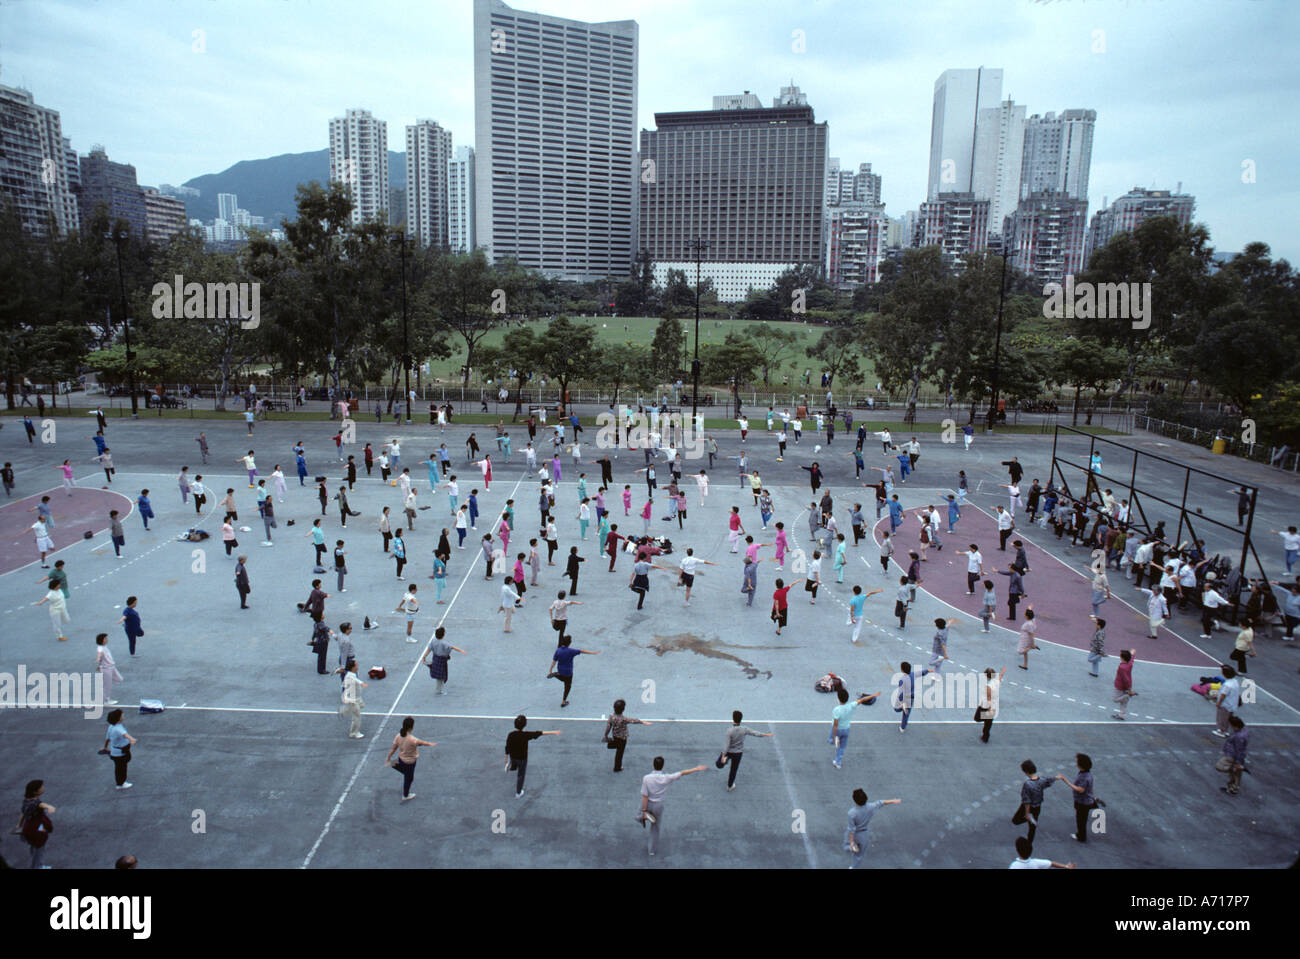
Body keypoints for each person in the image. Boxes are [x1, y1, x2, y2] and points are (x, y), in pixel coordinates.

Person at [638, 757, 707, 856]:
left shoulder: (646, 778)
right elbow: (682, 772)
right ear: (662, 766)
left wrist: (644, 811)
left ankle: (641, 817)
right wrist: (696, 768)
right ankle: (651, 850)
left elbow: (644, 795)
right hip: (658, 805)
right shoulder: (667, 778)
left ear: (653, 765)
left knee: (640, 809)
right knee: (655, 827)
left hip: (648, 803)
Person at [505, 715, 561, 798]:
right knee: (521, 775)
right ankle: (518, 793)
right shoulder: (526, 735)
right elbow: (539, 733)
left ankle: (511, 766)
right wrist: (554, 732)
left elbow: (507, 747)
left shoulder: (511, 735)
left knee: (514, 762)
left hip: (513, 756)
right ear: (524, 725)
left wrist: (506, 758)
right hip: (522, 759)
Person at [844, 789, 901, 869]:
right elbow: (881, 802)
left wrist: (851, 842)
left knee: (848, 843)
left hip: (855, 833)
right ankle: (853, 867)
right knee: (859, 855)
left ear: (854, 800)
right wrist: (894, 800)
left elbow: (851, 829)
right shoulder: (870, 807)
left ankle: (850, 847)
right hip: (864, 833)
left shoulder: (852, 813)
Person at [715, 710, 772, 790]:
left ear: (733, 719)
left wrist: (723, 756)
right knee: (733, 770)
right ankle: (730, 786)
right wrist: (765, 734)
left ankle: (726, 759)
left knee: (718, 764)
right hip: (738, 753)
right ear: (741, 719)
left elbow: (726, 745)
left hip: (729, 752)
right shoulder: (744, 729)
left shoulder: (729, 731)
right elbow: (755, 733)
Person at [385, 718, 437, 802]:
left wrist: (388, 758)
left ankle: (390, 763)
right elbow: (422, 743)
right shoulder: (413, 739)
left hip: (401, 759)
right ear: (411, 727)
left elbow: (393, 749)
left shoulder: (398, 736)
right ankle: (405, 795)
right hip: (410, 762)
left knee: (403, 770)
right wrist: (430, 744)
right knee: (409, 778)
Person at [828, 687, 879, 769]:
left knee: (832, 740)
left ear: (838, 698)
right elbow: (863, 699)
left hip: (838, 730)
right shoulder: (852, 705)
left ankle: (835, 740)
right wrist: (873, 695)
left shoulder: (836, 710)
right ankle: (838, 763)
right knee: (842, 747)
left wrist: (833, 736)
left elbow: (836, 725)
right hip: (846, 730)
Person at [1055, 754, 1097, 843]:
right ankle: (1080, 834)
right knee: (1081, 819)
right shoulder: (1085, 774)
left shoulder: (1085, 777)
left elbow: (1080, 790)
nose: (1076, 762)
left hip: (1083, 802)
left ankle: (1081, 836)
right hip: (1083, 800)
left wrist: (1065, 781)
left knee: (1081, 820)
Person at [548, 634, 599, 707]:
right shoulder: (571, 651)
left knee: (562, 677)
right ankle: (563, 701)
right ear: (569, 643)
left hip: (560, 670)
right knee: (567, 686)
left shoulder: (558, 651)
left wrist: (550, 670)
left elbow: (554, 662)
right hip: (568, 672)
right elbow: (582, 651)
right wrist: (593, 653)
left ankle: (555, 674)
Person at [603, 699, 652, 773]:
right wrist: (643, 722)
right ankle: (617, 768)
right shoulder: (623, 719)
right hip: (622, 739)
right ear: (623, 709)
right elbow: (634, 721)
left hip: (615, 736)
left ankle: (612, 745)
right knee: (620, 753)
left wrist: (606, 735)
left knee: (617, 749)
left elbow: (608, 727)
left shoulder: (611, 716)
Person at [1012, 759, 1053, 847]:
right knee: (1032, 827)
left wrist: (1027, 813)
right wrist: (1058, 777)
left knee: (1015, 820)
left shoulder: (1028, 784)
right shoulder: (1042, 779)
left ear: (1026, 772)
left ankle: (1028, 818)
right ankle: (1029, 843)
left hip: (1028, 806)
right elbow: (1049, 781)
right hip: (1038, 806)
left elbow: (1026, 801)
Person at [17, 780, 55, 869]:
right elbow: (42, 805)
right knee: (39, 850)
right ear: (35, 791)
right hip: (36, 829)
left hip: (29, 828)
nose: (43, 788)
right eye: (41, 787)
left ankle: (40, 865)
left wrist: (19, 825)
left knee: (35, 848)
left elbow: (23, 813)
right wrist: (50, 807)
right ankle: (37, 867)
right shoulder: (35, 803)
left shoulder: (26, 801)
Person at [423, 627, 466, 695]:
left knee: (439, 675)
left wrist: (424, 657)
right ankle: (439, 690)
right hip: (442, 660)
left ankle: (439, 688)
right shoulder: (443, 643)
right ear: (443, 635)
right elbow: (451, 647)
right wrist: (461, 650)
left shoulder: (433, 640)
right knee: (442, 676)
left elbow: (429, 649)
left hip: (435, 658)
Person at [104, 708, 136, 789]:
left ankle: (120, 782)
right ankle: (121, 783)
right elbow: (125, 734)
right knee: (122, 768)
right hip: (120, 752)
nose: (123, 716)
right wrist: (132, 739)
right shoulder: (118, 728)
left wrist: (105, 747)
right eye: (122, 715)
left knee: (119, 767)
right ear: (118, 719)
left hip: (115, 751)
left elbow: (107, 738)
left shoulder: (111, 726)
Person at [1219, 715, 1249, 795]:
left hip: (1234, 756)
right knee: (1234, 773)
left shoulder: (1239, 736)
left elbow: (1239, 750)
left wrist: (1238, 762)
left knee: (1233, 772)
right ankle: (1232, 787)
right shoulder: (1243, 731)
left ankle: (1233, 788)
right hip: (1235, 756)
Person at [340, 660, 367, 738]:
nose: (357, 666)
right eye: (356, 665)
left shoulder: (352, 675)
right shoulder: (350, 677)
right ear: (353, 667)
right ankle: (354, 733)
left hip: (356, 698)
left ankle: (347, 710)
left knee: (357, 711)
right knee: (357, 716)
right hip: (353, 699)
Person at [1212, 664, 1241, 738]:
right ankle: (1225, 731)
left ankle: (1222, 731)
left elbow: (1223, 695)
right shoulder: (1234, 681)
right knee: (1228, 718)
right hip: (1232, 704)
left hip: (1225, 705)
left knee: (1222, 718)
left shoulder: (1227, 685)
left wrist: (1218, 703)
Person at [1009, 836, 1075, 869]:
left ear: (1017, 850)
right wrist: (1066, 866)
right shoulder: (1035, 863)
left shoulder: (1014, 866)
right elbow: (1051, 863)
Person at [95, 632, 123, 706]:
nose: (107, 640)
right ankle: (106, 700)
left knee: (120, 679)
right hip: (106, 669)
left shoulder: (104, 647)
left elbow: (103, 657)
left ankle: (106, 683)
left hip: (111, 667)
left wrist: (99, 664)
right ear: (102, 640)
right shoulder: (100, 647)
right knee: (107, 686)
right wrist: (98, 658)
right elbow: (99, 653)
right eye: (105, 638)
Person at [1112, 648, 1137, 720]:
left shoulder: (1122, 667)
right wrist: (1132, 653)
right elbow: (1131, 658)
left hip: (1120, 686)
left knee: (1115, 699)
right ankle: (1122, 715)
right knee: (1124, 703)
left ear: (1122, 657)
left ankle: (1126, 695)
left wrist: (1129, 691)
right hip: (1127, 686)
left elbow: (1126, 680)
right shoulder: (1129, 663)